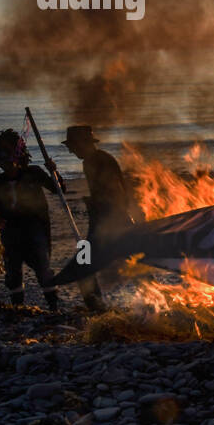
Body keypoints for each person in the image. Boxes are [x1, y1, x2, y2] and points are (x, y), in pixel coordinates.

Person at [61, 125, 139, 310]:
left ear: (82, 144)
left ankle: (94, 304)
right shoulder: (95, 160)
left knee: (84, 262)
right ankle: (94, 302)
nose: (71, 150)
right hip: (108, 218)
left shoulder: (97, 161)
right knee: (134, 257)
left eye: (72, 146)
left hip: (110, 220)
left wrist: (97, 204)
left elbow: (112, 191)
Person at [0, 130, 59, 309]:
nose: (5, 160)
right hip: (9, 229)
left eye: (8, 154)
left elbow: (58, 189)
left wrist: (53, 172)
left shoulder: (33, 173)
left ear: (18, 155)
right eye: (0, 156)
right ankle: (18, 307)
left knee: (43, 266)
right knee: (12, 270)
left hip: (35, 227)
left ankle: (53, 306)